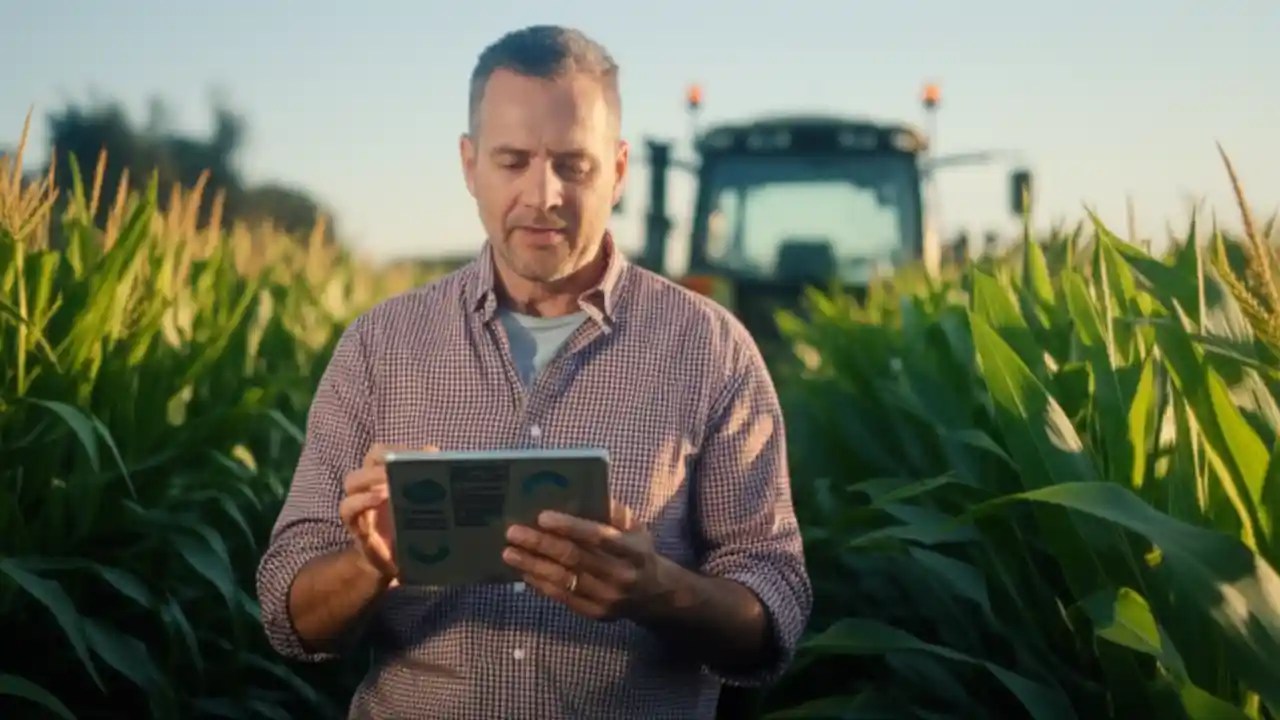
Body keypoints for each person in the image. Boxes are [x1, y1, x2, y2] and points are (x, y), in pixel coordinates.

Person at [255, 24, 812, 719]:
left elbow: (775, 606)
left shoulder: (712, 349)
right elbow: (288, 615)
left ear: (618, 171)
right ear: (470, 165)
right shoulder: (379, 347)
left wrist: (658, 590)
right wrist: (371, 564)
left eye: (573, 165)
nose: (543, 194)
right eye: (513, 160)